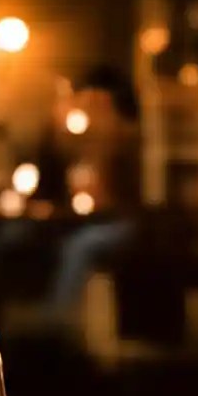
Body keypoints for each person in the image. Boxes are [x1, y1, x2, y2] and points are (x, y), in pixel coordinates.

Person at [45, 65, 142, 321]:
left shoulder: (129, 138)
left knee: (81, 246)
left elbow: (125, 196)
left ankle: (60, 321)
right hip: (91, 218)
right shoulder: (77, 136)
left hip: (129, 222)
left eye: (97, 103)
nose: (89, 110)